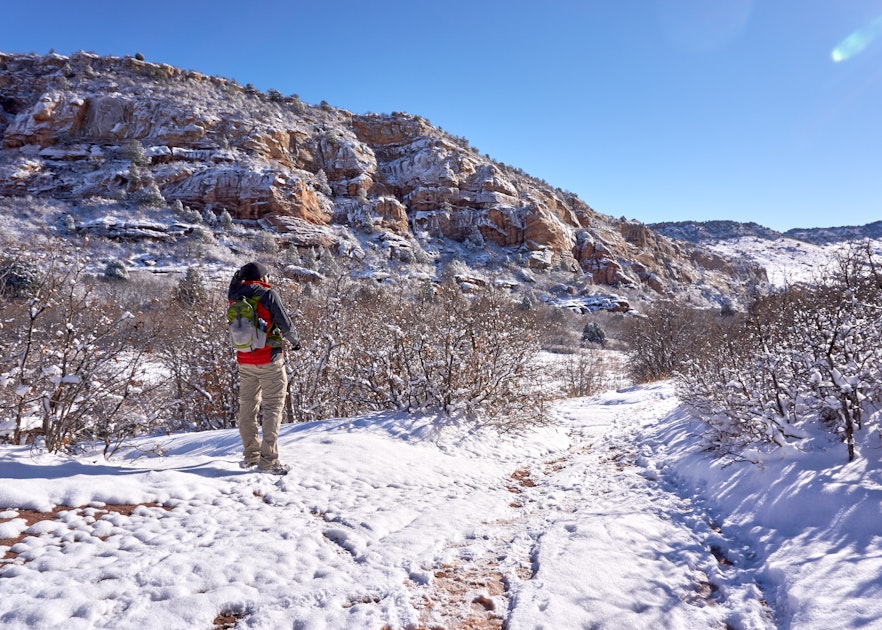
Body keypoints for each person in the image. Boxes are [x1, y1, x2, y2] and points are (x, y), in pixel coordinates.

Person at [228, 261, 300, 474]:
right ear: (262, 277)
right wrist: (295, 341)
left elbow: (234, 283)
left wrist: (237, 274)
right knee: (272, 408)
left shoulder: (234, 294)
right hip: (269, 359)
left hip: (245, 359)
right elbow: (285, 324)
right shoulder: (268, 294)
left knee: (247, 408)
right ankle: (269, 461)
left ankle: (251, 457)